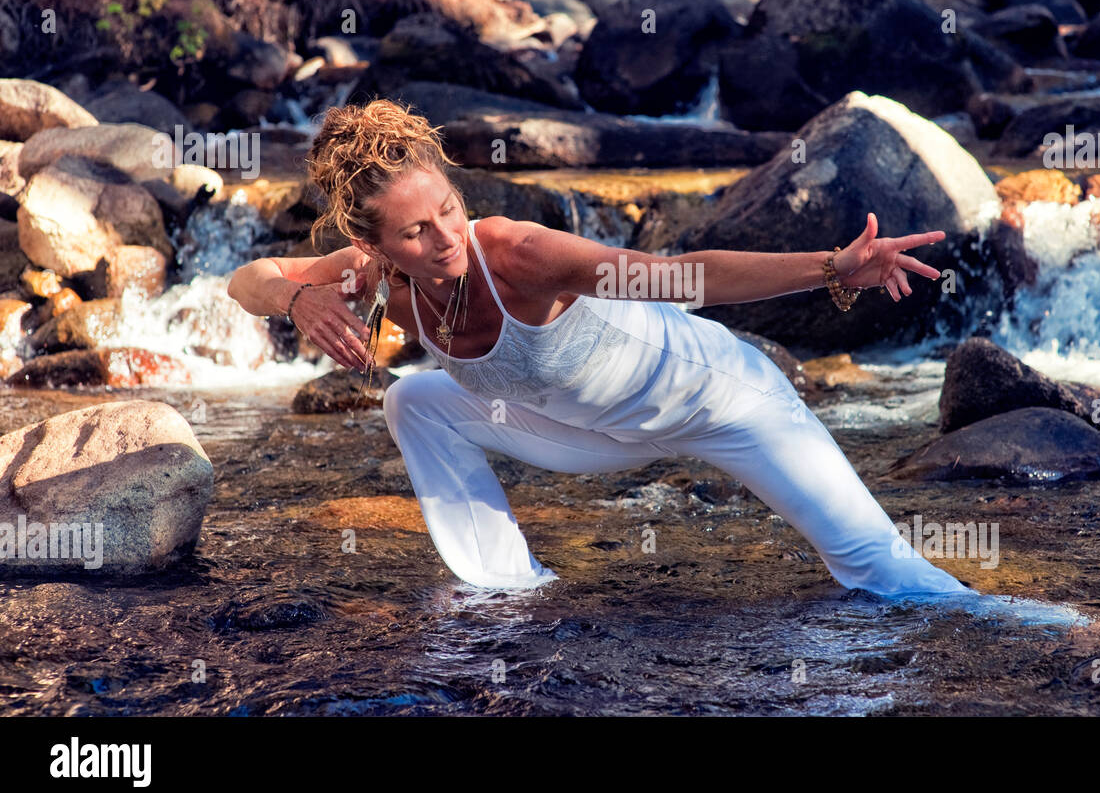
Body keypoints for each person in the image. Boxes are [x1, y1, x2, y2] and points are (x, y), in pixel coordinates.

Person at [226, 99, 973, 598]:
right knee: (415, 398)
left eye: (449, 208)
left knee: (882, 571)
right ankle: (506, 588)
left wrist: (831, 267)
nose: (446, 235)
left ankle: (1062, 629)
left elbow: (688, 277)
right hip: (586, 432)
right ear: (373, 241)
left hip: (720, 403)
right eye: (416, 231)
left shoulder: (521, 253)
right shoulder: (373, 271)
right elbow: (245, 279)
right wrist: (299, 296)